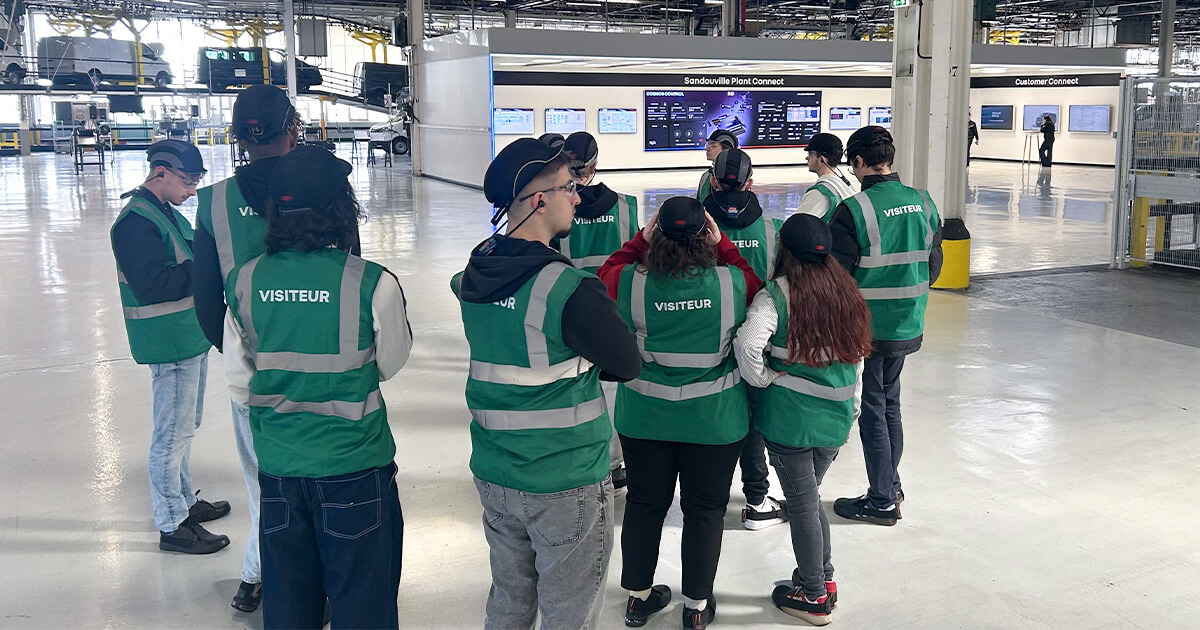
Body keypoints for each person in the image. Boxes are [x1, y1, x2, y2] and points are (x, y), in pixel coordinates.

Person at [451, 138, 641, 630]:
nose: (578, 196)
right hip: (565, 479)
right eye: (568, 187)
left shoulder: (474, 274)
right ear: (539, 201)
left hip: (495, 471)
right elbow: (626, 363)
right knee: (568, 615)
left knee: (510, 600)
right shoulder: (568, 289)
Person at [223, 146, 412, 629]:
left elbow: (240, 384)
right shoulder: (372, 283)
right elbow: (389, 364)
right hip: (354, 469)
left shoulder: (244, 282)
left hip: (281, 472)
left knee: (289, 607)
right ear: (341, 209)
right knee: (363, 606)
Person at [194, 84, 356, 613]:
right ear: (294, 129)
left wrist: (241, 357)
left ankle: (260, 577)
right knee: (329, 481)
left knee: (269, 484)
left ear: (238, 136)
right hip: (330, 371)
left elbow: (204, 302)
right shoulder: (327, 187)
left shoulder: (213, 202)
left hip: (252, 377)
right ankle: (310, 582)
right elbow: (353, 277)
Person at [597, 197, 762, 630]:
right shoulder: (730, 283)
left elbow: (602, 275)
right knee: (705, 511)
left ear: (658, 234)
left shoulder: (631, 282)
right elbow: (755, 280)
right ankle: (695, 607)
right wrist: (724, 242)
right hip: (715, 421)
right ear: (704, 235)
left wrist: (638, 241)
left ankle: (638, 598)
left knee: (645, 504)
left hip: (645, 419)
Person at [733, 213, 873, 626]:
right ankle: (823, 580)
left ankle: (812, 596)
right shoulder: (847, 290)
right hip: (836, 419)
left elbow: (747, 345)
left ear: (784, 251)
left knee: (802, 505)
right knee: (807, 501)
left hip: (791, 422)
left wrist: (764, 378)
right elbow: (859, 357)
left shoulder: (775, 295)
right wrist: (854, 407)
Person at [110, 140, 232, 555]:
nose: (192, 190)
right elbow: (151, 285)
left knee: (185, 427)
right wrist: (205, 272)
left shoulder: (164, 211)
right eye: (187, 180)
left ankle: (184, 502)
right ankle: (172, 523)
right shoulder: (134, 222)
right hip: (169, 341)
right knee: (171, 433)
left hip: (187, 336)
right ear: (160, 172)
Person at [827, 126, 943, 527]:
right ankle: (889, 486)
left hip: (869, 328)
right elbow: (935, 265)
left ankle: (881, 500)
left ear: (858, 161)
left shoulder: (854, 210)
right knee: (889, 402)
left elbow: (837, 278)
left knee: (873, 410)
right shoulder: (923, 201)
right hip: (909, 321)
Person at [701, 147, 788, 531]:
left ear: (714, 181)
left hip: (704, 336)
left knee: (708, 416)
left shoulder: (694, 226)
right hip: (759, 336)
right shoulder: (772, 229)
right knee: (752, 419)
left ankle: (706, 497)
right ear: (751, 183)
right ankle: (756, 499)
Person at [559, 130, 642, 494]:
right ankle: (615, 463)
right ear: (595, 166)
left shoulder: (556, 208)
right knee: (615, 392)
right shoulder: (626, 206)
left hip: (568, 310)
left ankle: (585, 458)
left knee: (576, 389)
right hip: (616, 312)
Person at [795, 133, 856, 221]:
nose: (807, 158)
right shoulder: (845, 186)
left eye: (810, 153)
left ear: (822, 159)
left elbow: (795, 226)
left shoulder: (820, 193)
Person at [697, 130, 738, 203]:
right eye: (708, 144)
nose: (707, 149)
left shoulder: (736, 178)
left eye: (713, 146)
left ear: (726, 150)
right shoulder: (706, 176)